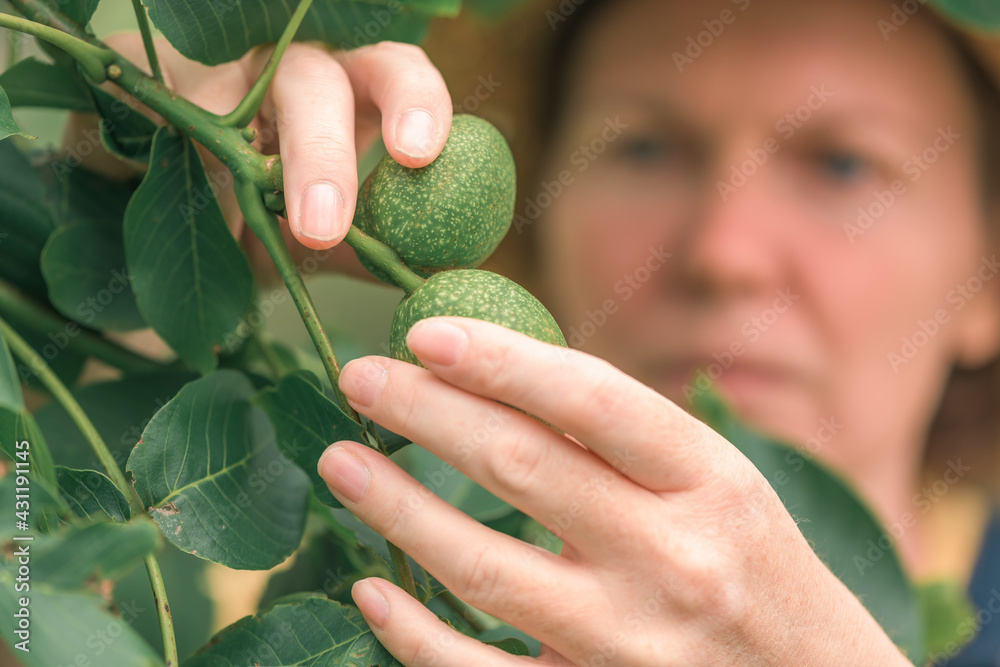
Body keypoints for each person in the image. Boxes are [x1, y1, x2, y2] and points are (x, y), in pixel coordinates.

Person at [69, 0, 1000, 663]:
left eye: (842, 163)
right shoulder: (295, 586)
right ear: (537, 221)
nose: (725, 251)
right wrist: (133, 216)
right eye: (642, 147)